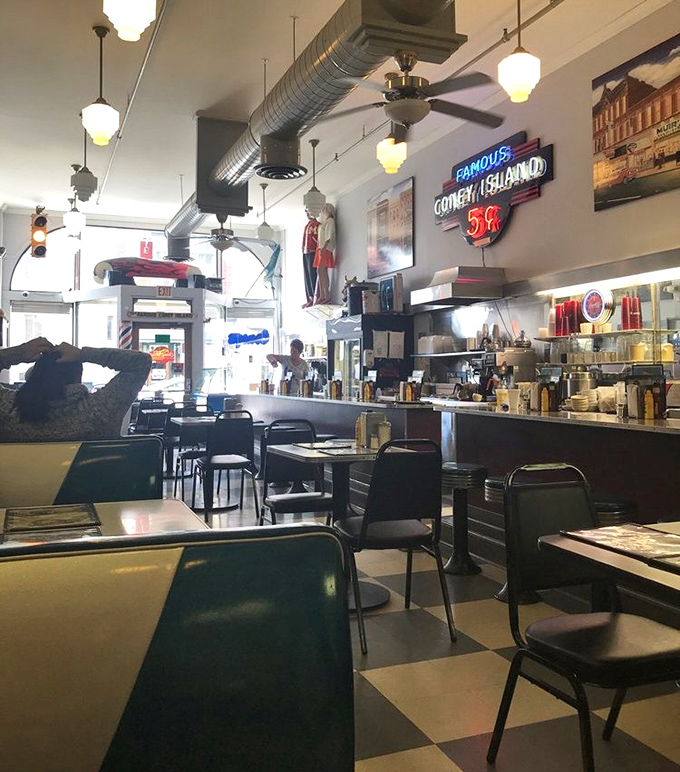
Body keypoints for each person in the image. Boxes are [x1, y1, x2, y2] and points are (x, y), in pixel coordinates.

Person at [0, 338, 151, 442]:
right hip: (91, 482)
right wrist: (83, 354)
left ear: (33, 375)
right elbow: (141, 362)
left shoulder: (8, 410)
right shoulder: (99, 410)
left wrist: (18, 352)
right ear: (78, 376)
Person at [313, 203, 336, 305]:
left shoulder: (330, 221)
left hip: (325, 249)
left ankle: (325, 295)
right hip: (321, 248)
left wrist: (324, 247)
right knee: (321, 272)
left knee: (321, 271)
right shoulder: (325, 223)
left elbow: (329, 236)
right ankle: (323, 294)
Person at [301, 209, 319, 309]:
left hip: (313, 251)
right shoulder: (307, 225)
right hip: (306, 251)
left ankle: (314, 296)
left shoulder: (317, 225)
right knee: (307, 276)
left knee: (312, 275)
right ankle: (309, 298)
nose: (308, 215)